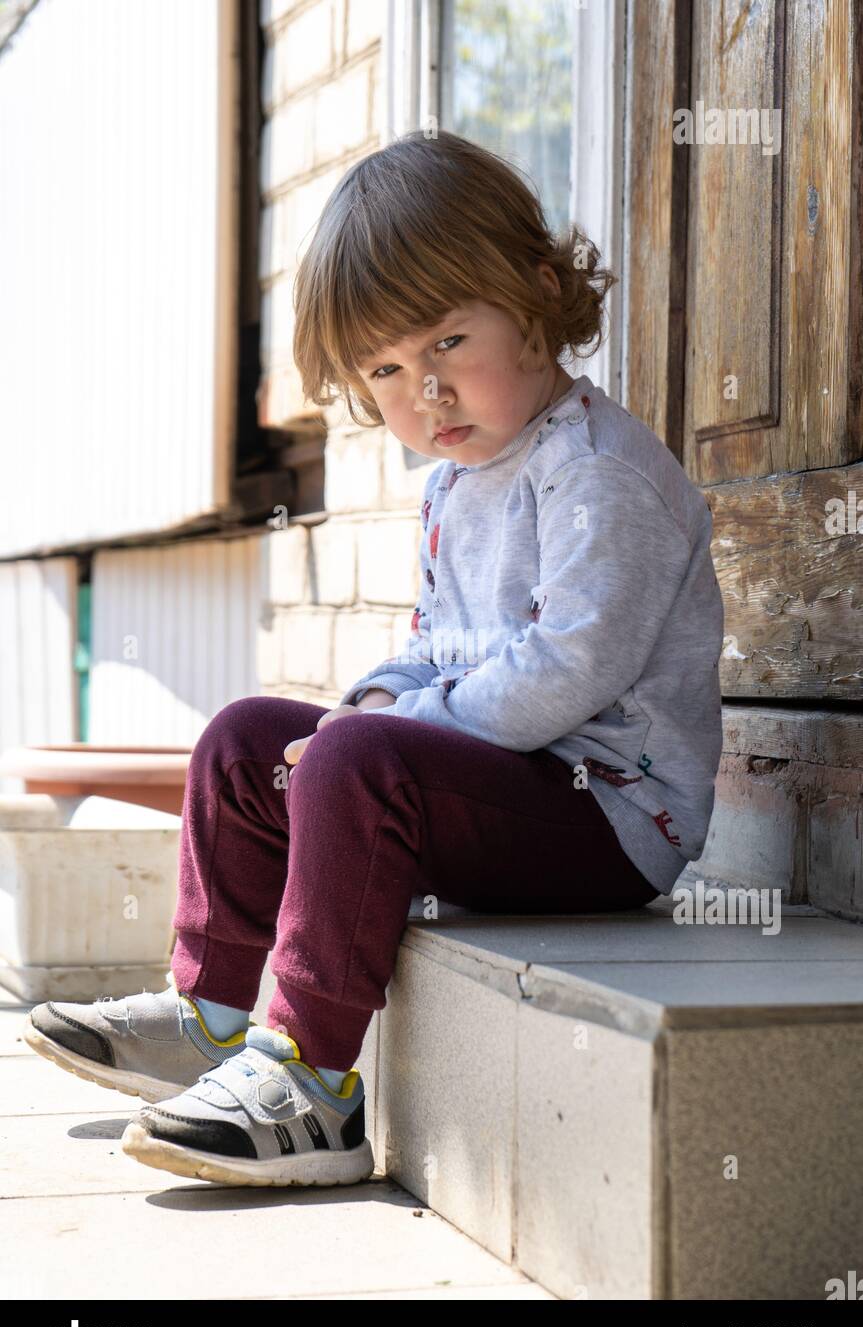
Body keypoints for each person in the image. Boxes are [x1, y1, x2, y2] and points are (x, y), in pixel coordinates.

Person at [24, 128, 724, 1188]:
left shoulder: (596, 472)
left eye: (447, 341)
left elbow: (569, 667)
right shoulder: (455, 484)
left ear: (537, 293)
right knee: (248, 738)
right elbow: (431, 650)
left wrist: (378, 738)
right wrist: (358, 714)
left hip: (609, 818)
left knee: (358, 761)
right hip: (498, 784)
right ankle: (209, 1015)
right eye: (387, 369)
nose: (424, 394)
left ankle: (310, 1082)